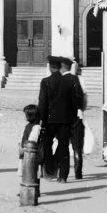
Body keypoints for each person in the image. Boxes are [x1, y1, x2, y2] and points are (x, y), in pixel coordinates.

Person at [37, 55, 84, 183]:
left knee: (47, 144)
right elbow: (76, 101)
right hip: (65, 120)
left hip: (49, 120)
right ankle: (63, 176)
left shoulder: (45, 82)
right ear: (59, 67)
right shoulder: (70, 81)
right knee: (63, 147)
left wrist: (41, 119)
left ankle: (50, 168)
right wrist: (72, 115)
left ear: (50, 67)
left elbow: (42, 103)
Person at [18, 103, 44, 178]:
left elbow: (33, 139)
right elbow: (22, 136)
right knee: (24, 161)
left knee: (31, 163)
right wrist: (20, 145)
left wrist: (25, 147)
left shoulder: (36, 127)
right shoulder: (28, 125)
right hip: (25, 147)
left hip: (29, 149)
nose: (25, 117)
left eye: (26, 115)